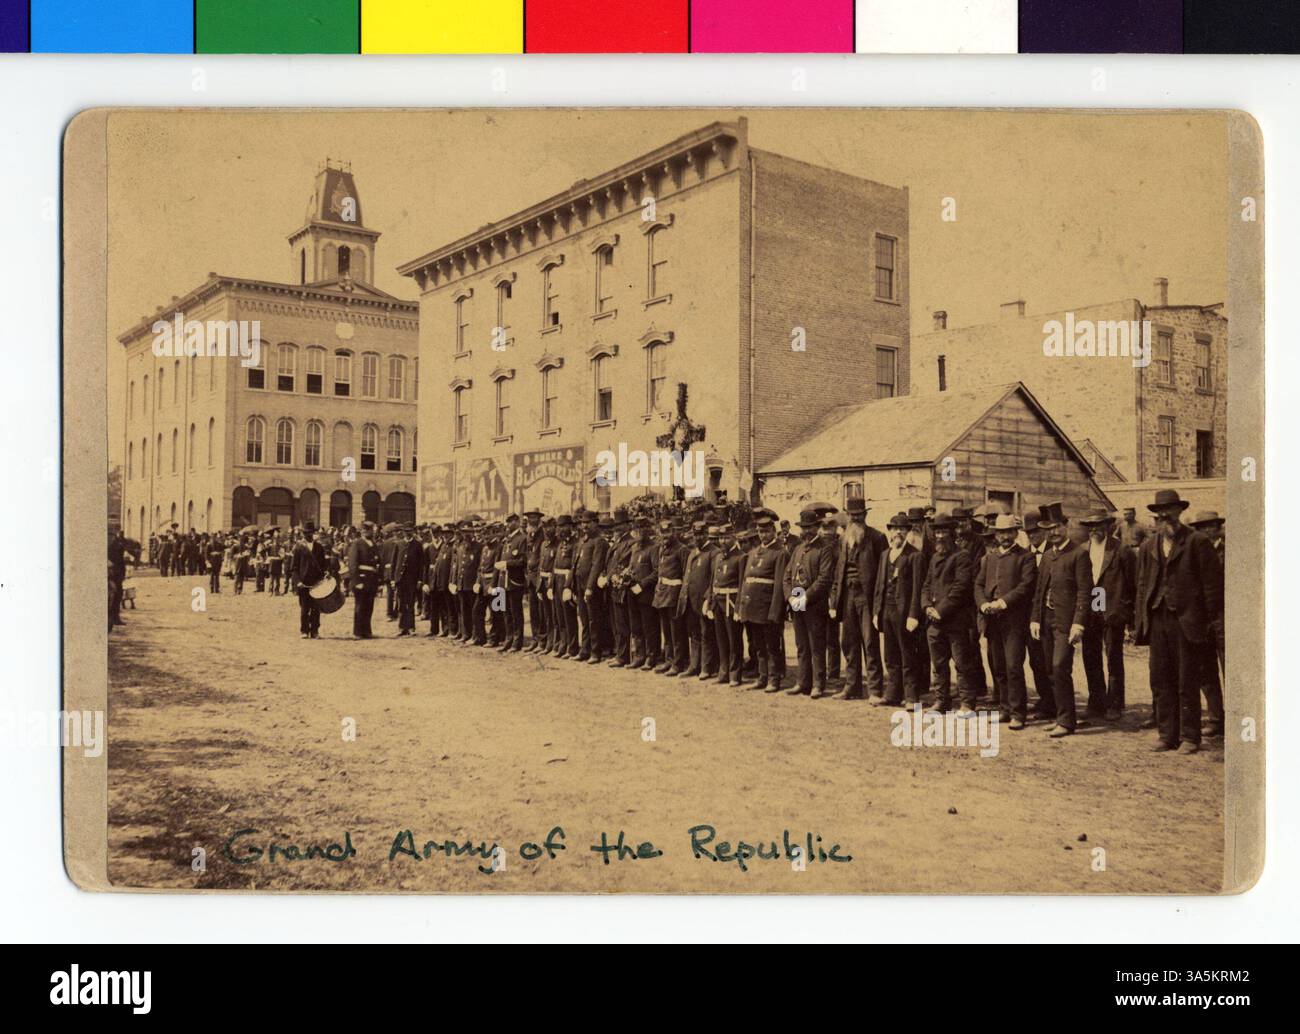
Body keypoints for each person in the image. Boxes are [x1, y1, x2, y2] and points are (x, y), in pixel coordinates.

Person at [1134, 490, 1224, 755]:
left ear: (1179, 512)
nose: (1165, 516)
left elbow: (1212, 588)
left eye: (1170, 511)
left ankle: (1190, 737)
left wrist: (1208, 623)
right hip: (1158, 619)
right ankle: (1167, 735)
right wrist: (1141, 621)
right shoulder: (1148, 546)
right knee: (1161, 680)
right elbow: (1142, 585)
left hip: (1188, 621)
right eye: (1160, 513)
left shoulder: (1196, 542)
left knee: (1187, 680)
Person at [1030, 503, 1091, 738]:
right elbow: (1039, 590)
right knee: (1048, 669)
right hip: (1046, 620)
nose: (1053, 533)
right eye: (1048, 529)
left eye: (1057, 527)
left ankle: (1067, 722)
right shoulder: (1047, 556)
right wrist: (1035, 618)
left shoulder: (1079, 554)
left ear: (1066, 526)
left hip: (1066, 623)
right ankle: (1059, 715)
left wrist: (1079, 622)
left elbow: (1086, 592)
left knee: (1059, 667)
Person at [975, 514, 1038, 729]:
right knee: (998, 665)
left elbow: (1026, 586)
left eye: (1009, 532)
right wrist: (983, 604)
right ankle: (1004, 708)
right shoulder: (989, 558)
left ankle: (1018, 712)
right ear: (996, 535)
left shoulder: (1026, 557)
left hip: (1014, 620)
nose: (1004, 537)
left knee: (1013, 666)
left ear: (1015, 533)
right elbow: (978, 585)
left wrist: (1003, 602)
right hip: (992, 620)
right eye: (1001, 533)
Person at [1079, 508, 1136, 722]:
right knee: (1090, 655)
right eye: (1091, 526)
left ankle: (1115, 704)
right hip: (1091, 608)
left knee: (1113, 656)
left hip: (1112, 609)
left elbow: (1132, 584)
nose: (1095, 530)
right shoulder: (1083, 550)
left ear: (1108, 526)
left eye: (1099, 525)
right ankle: (1097, 702)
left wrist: (1127, 613)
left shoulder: (1122, 550)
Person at [922, 515, 981, 717]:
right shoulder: (933, 557)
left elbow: (961, 588)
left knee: (962, 662)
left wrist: (941, 610)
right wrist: (927, 606)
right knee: (938, 664)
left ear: (952, 533)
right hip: (934, 622)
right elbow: (927, 585)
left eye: (943, 532)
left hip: (956, 620)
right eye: (937, 532)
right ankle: (941, 701)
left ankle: (967, 703)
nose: (940, 536)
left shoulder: (962, 556)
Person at [829, 497, 886, 701]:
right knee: (848, 643)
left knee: (870, 642)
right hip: (847, 596)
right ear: (848, 516)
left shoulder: (877, 538)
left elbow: (882, 573)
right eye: (852, 515)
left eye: (859, 515)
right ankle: (852, 686)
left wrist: (879, 603)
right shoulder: (843, 540)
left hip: (867, 597)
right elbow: (838, 572)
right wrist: (834, 600)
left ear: (865, 515)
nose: (856, 518)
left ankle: (875, 690)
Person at [873, 512, 925, 706]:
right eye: (894, 529)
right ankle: (893, 694)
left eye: (902, 529)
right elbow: (879, 585)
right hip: (886, 611)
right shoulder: (885, 554)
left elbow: (918, 589)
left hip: (904, 613)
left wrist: (913, 615)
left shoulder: (915, 556)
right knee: (890, 654)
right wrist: (877, 611)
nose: (897, 533)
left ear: (908, 532)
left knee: (908, 655)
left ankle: (912, 697)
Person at [784, 508, 836, 698]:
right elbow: (787, 575)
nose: (806, 531)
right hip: (797, 604)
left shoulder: (825, 549)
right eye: (804, 528)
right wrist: (790, 597)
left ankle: (818, 684)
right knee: (801, 646)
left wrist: (805, 598)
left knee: (816, 646)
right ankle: (802, 682)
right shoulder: (798, 549)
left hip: (814, 605)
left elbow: (824, 579)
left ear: (817, 528)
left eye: (810, 528)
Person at [737, 509, 787, 692]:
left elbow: (779, 585)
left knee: (772, 646)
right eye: (760, 532)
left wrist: (775, 611)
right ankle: (762, 676)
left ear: (773, 531)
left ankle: (774, 679)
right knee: (758, 645)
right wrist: (742, 606)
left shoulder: (780, 552)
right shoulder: (753, 553)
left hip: (767, 608)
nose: (763, 535)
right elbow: (745, 580)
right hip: (752, 607)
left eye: (766, 531)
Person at [294, 522, 327, 639]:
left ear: (313, 533)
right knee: (304, 608)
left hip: (316, 582)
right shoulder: (298, 548)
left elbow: (323, 565)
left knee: (316, 608)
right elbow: (295, 568)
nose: (308, 535)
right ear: (303, 533)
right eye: (306, 533)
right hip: (303, 583)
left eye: (310, 533)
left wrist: (324, 576)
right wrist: (298, 581)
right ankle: (304, 630)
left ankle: (314, 630)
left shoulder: (319, 547)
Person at [348, 521, 380, 639]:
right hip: (361, 579)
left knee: (369, 606)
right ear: (362, 531)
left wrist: (379, 582)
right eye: (366, 530)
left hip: (371, 580)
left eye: (370, 530)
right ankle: (358, 631)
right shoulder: (357, 544)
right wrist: (356, 582)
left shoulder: (374, 545)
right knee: (360, 607)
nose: (368, 532)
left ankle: (366, 630)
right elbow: (352, 564)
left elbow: (377, 564)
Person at [393, 524, 423, 637]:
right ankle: (401, 627)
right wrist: (393, 578)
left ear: (413, 532)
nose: (407, 533)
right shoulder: (399, 544)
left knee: (410, 603)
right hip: (400, 579)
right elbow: (394, 562)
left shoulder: (417, 545)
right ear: (403, 532)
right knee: (400, 603)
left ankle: (410, 627)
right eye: (405, 531)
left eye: (409, 531)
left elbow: (421, 564)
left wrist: (420, 579)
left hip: (412, 579)